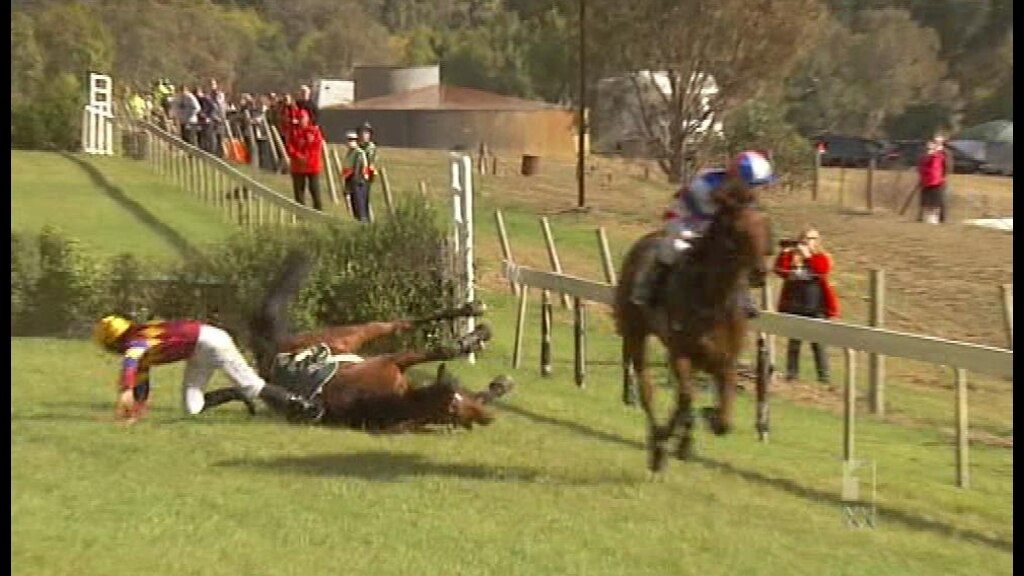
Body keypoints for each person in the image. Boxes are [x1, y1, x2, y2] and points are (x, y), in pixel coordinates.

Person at [91, 314, 320, 423]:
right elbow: (142, 383)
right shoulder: (138, 338)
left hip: (209, 341)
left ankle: (306, 408)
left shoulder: (137, 341)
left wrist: (124, 390)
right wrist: (135, 416)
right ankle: (234, 393)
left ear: (115, 341)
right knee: (192, 409)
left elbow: (131, 361)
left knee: (252, 385)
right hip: (197, 349)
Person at [630, 150, 776, 316]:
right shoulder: (704, 186)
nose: (757, 190)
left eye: (759, 185)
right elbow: (713, 217)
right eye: (753, 185)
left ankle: (742, 297)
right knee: (674, 248)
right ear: (738, 179)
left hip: (715, 225)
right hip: (686, 221)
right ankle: (649, 285)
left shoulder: (742, 193)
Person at [773, 227, 839, 383]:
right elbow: (780, 270)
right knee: (794, 342)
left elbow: (822, 269)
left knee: (818, 344)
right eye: (805, 238)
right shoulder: (792, 256)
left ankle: (824, 378)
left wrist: (808, 256)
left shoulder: (822, 256)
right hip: (795, 304)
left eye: (812, 238)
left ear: (818, 241)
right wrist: (785, 252)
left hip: (816, 305)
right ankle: (792, 374)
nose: (808, 241)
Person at [285, 110, 325, 211]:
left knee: (314, 189)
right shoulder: (294, 131)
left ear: (308, 119)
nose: (301, 121)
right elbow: (290, 147)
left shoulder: (314, 131)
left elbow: (317, 146)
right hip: (298, 166)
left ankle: (318, 211)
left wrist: (307, 157)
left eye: (303, 118)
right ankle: (300, 212)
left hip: (312, 165)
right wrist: (298, 156)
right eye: (300, 118)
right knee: (299, 191)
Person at [917, 135, 948, 224]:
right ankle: (926, 218)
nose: (930, 146)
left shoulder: (939, 155)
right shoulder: (924, 156)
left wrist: (943, 177)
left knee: (936, 201)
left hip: (936, 181)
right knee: (926, 201)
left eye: (932, 144)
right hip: (926, 181)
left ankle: (935, 218)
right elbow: (921, 166)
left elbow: (942, 166)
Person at [342, 130, 371, 221]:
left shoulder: (359, 153)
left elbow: (359, 169)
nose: (350, 142)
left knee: (360, 207)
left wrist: (355, 182)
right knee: (354, 207)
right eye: (349, 140)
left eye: (353, 140)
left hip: (359, 182)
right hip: (351, 180)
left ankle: (363, 224)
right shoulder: (349, 153)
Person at [357, 121, 378, 208]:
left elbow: (370, 163)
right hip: (356, 176)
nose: (364, 135)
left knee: (363, 200)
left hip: (365, 177)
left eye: (366, 132)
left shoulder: (371, 147)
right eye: (362, 132)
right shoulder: (357, 146)